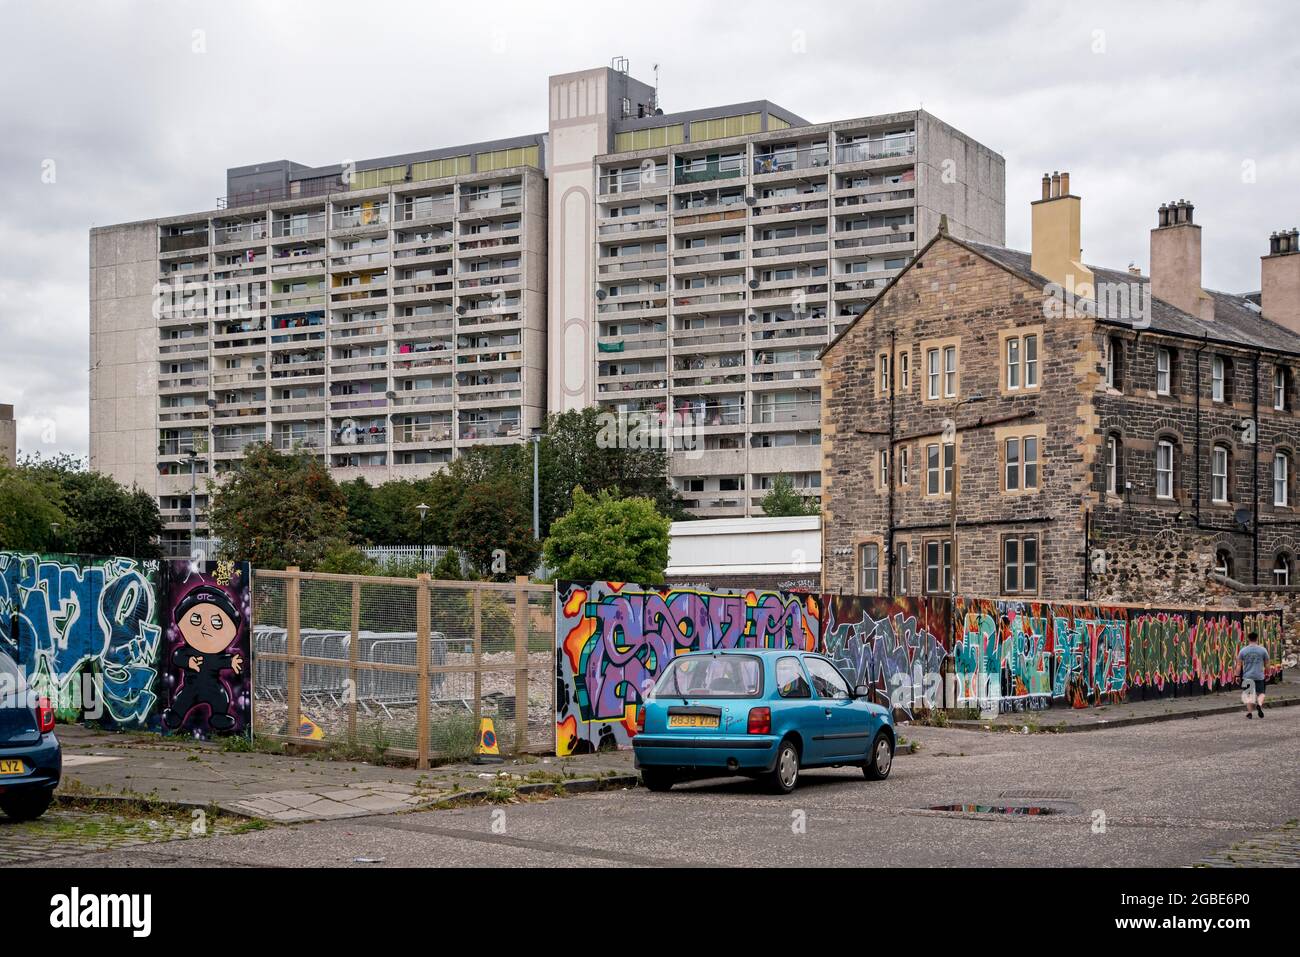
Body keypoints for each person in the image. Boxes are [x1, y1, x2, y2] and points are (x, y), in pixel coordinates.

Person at [1237, 631, 1270, 720]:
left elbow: (1239, 665)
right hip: (1259, 676)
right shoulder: (1263, 650)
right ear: (1257, 639)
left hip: (1247, 676)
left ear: (1248, 639)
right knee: (1261, 693)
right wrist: (1268, 673)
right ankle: (1259, 704)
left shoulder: (1243, 650)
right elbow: (1267, 664)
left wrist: (1237, 676)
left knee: (1248, 695)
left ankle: (1249, 713)